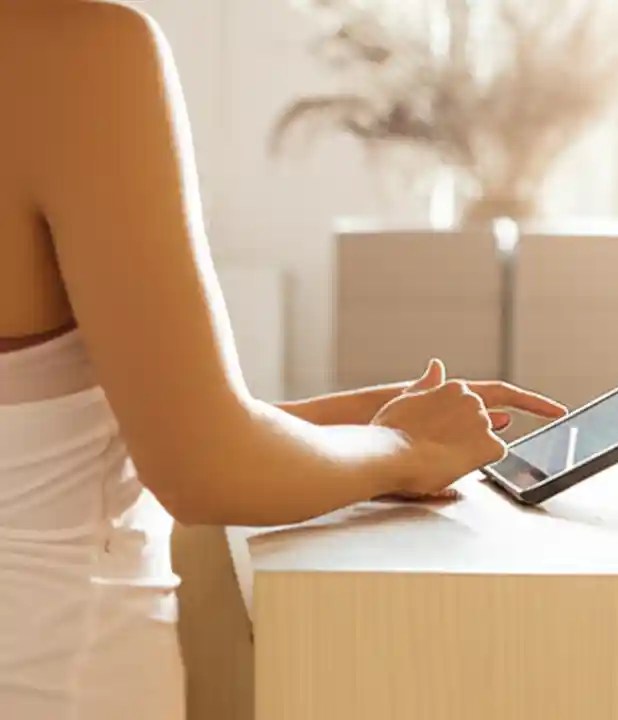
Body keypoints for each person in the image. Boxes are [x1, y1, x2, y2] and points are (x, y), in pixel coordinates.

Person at [0, 2, 567, 717]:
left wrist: (345, 422)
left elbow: (43, 439)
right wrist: (402, 447)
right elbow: (207, 470)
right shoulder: (75, 51)